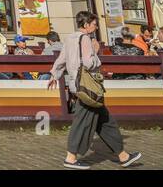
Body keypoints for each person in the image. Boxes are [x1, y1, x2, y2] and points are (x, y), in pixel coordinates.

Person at [51, 10, 141, 169]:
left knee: (105, 121)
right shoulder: (85, 39)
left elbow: (61, 59)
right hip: (89, 87)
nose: (96, 27)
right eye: (94, 24)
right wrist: (96, 51)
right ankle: (70, 158)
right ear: (85, 25)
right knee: (82, 121)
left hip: (78, 84)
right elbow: (88, 63)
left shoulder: (70, 38)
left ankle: (123, 156)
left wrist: (54, 74)